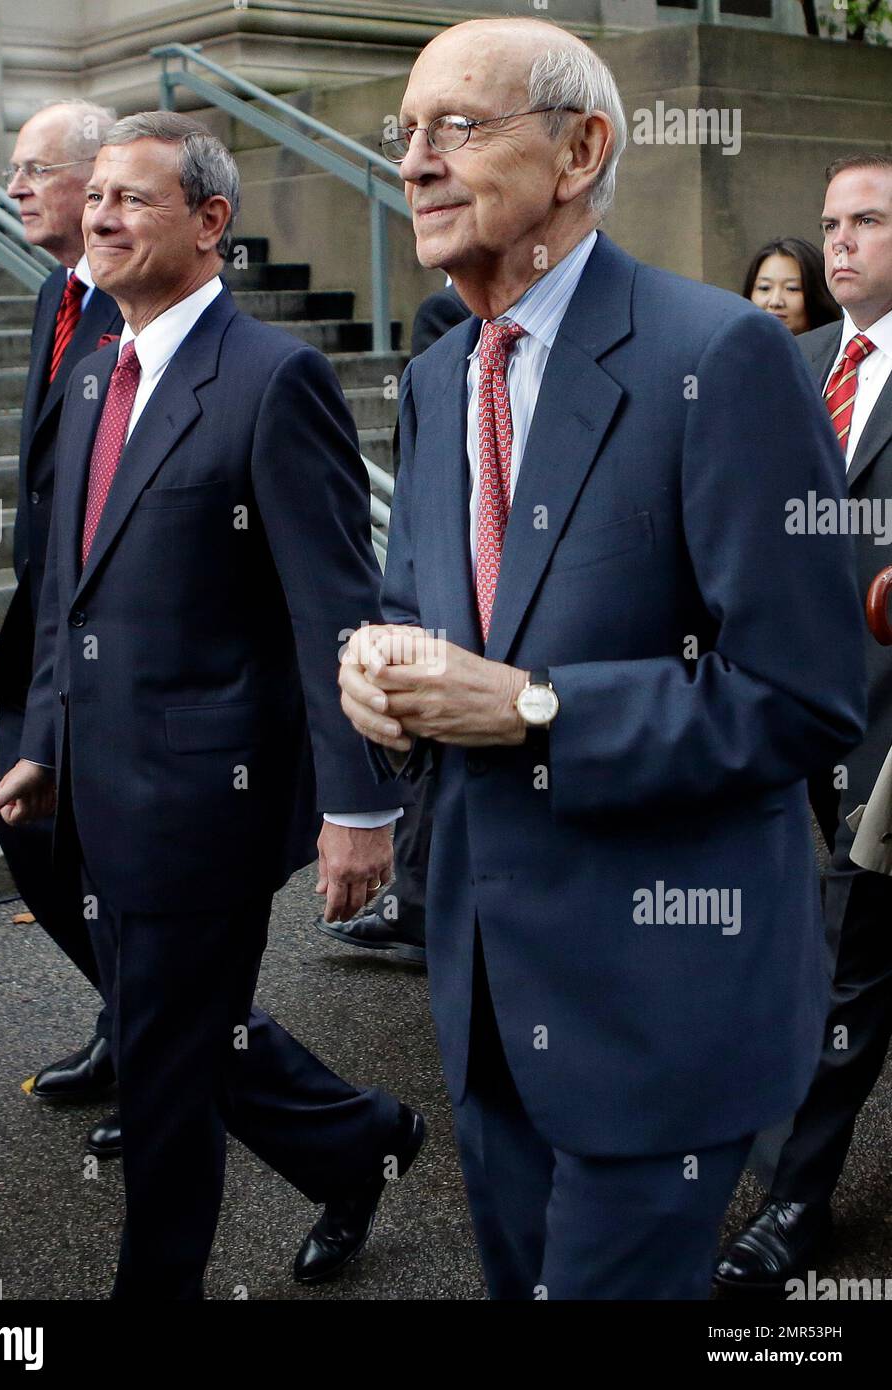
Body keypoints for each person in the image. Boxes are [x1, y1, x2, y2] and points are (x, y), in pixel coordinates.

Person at [338, 16, 867, 1300]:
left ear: (579, 151)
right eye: (403, 134)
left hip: (658, 1007)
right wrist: (374, 677)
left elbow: (802, 699)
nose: (416, 161)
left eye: (457, 127)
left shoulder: (718, 355)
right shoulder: (439, 374)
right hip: (483, 994)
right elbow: (421, 612)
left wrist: (530, 706)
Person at [0, 111, 423, 1298]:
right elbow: (74, 581)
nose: (101, 215)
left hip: (204, 801)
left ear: (211, 224)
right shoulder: (85, 370)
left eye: (134, 199)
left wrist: (358, 808)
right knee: (186, 1035)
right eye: (99, 197)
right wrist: (43, 737)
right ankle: (360, 1141)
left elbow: (336, 608)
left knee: (167, 1079)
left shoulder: (277, 379)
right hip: (92, 780)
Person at [716, 153, 892, 1296]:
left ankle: (794, 1202)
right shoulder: (797, 363)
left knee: (849, 966)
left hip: (889, 728)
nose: (837, 242)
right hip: (787, 720)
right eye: (829, 222)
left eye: (866, 221)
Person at [0, 100, 123, 1108]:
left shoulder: (139, 305)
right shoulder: (54, 292)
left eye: (37, 168)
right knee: (29, 834)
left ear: (97, 179)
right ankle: (136, 1019)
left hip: (106, 633)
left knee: (116, 859)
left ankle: (159, 1047)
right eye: (14, 167)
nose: (15, 184)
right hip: (37, 622)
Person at [313, 281, 471, 965]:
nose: (414, 168)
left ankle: (422, 902)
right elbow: (427, 465)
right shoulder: (445, 342)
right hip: (449, 570)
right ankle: (421, 902)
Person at [742, 236, 839, 335]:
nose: (775, 302)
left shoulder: (843, 348)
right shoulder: (733, 348)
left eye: (792, 289)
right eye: (764, 288)